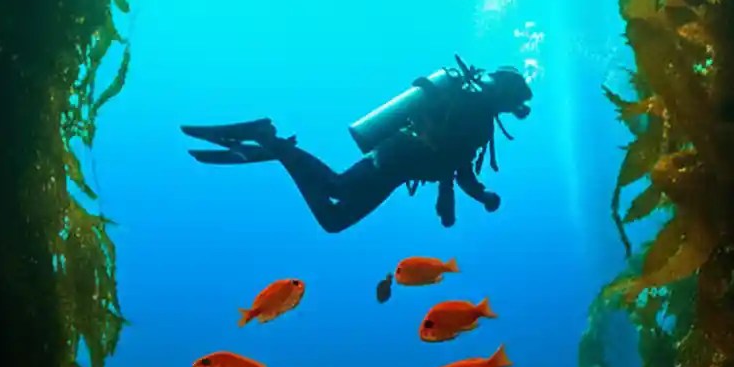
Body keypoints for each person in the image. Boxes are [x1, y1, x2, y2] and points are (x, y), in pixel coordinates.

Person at [182, 56, 533, 234]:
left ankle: (274, 148)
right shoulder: (476, 113)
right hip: (393, 159)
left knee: (335, 220)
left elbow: (454, 162)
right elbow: (455, 161)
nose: (511, 108)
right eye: (514, 100)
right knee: (335, 188)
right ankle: (271, 142)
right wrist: (477, 195)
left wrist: (471, 194)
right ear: (505, 94)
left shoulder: (475, 112)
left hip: (397, 169)